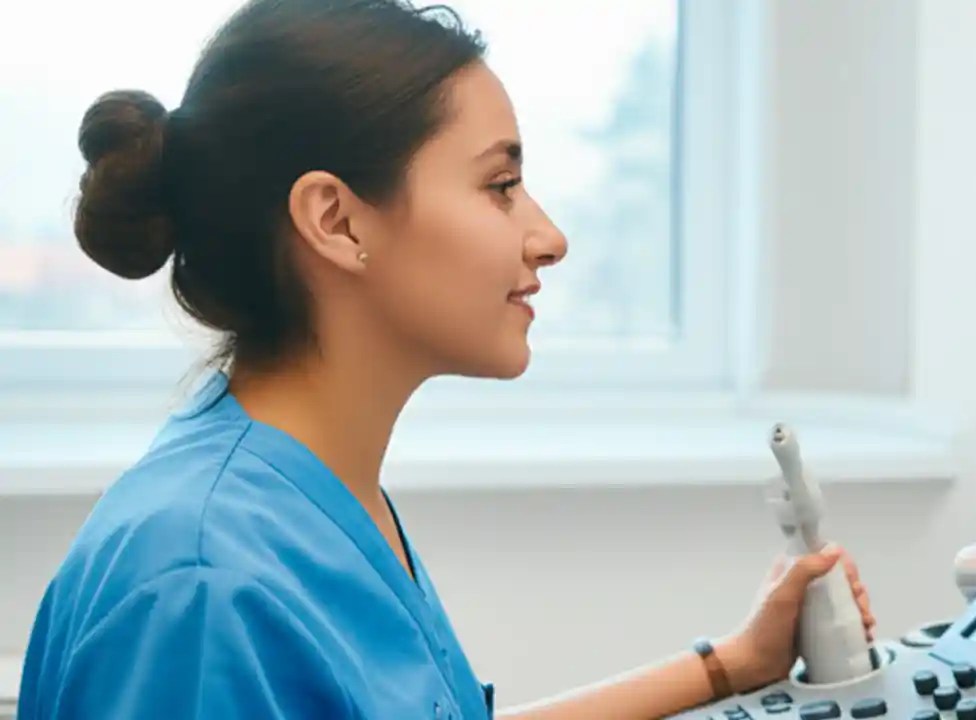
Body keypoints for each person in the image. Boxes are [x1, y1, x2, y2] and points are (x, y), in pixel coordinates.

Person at [17, 2, 876, 718]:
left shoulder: (301, 492)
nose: (549, 237)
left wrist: (732, 664)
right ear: (339, 222)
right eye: (500, 186)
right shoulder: (201, 587)